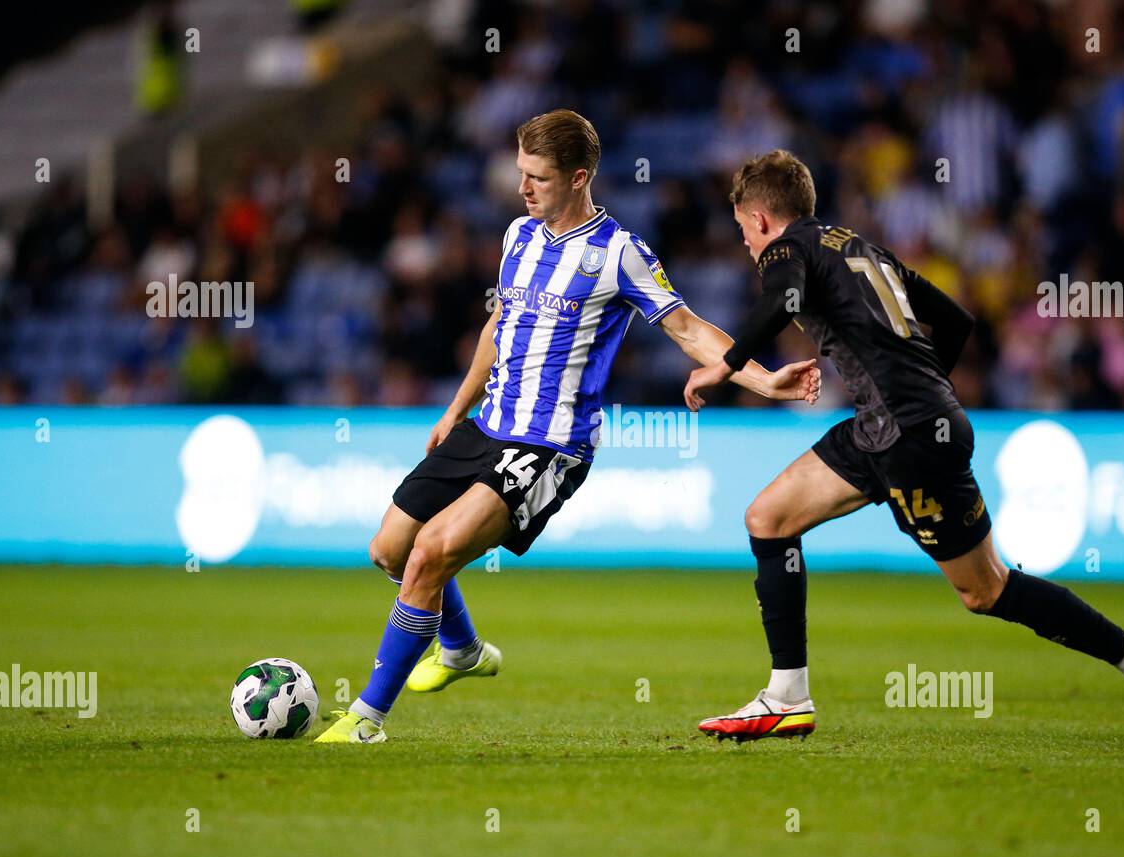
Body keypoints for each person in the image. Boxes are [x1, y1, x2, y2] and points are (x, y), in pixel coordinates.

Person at [317, 113, 821, 743]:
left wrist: (761, 376)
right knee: (389, 551)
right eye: (521, 174)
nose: (523, 188)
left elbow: (688, 328)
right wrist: (455, 409)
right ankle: (464, 650)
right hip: (486, 425)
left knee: (430, 554)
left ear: (579, 178)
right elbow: (496, 331)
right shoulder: (517, 237)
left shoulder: (619, 253)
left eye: (538, 177)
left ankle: (365, 722)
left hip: (549, 446)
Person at [684, 150, 1124, 749]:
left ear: (762, 218)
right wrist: (918, 391)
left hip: (910, 437)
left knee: (986, 590)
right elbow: (955, 319)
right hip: (888, 427)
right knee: (768, 517)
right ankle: (788, 693)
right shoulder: (859, 247)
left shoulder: (787, 250)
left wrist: (727, 368)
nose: (745, 244)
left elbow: (784, 300)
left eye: (743, 230)